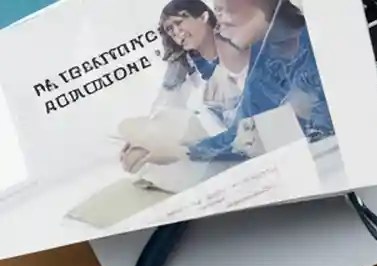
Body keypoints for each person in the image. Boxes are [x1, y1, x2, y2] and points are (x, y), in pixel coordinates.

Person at [122, 0, 332, 169]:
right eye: (217, 9)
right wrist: (179, 151)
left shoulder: (322, 31)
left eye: (225, 8)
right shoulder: (259, 62)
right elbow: (242, 132)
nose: (219, 19)